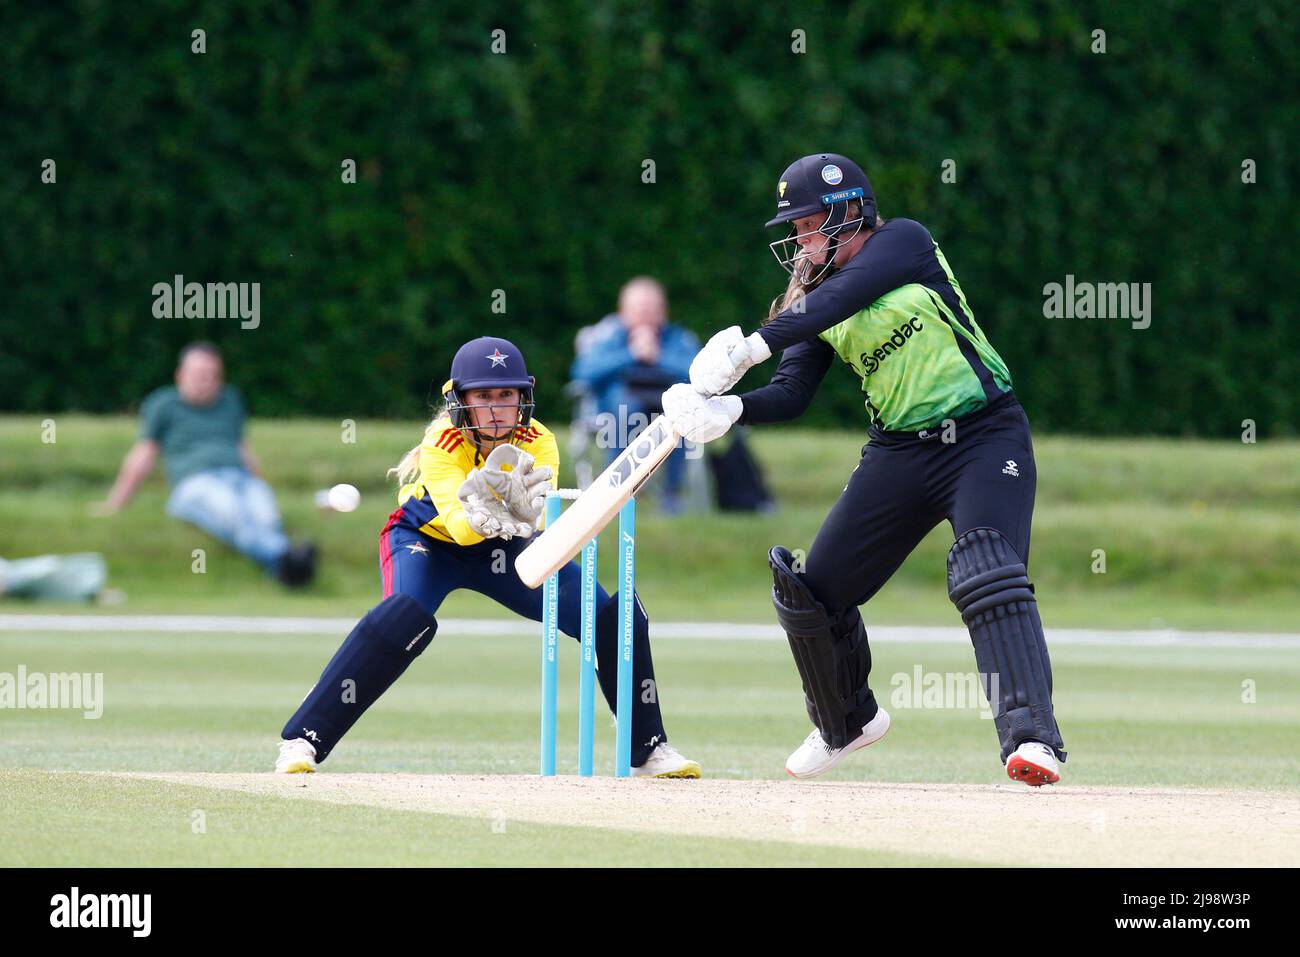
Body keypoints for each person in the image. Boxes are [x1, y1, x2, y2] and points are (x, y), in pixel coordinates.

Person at [662, 152, 1067, 786]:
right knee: (813, 592)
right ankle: (845, 722)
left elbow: (852, 292)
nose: (799, 240)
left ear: (849, 212)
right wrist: (726, 409)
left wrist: (752, 346)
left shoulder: (904, 243)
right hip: (899, 453)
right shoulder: (812, 300)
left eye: (806, 224)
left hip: (984, 435)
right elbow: (793, 393)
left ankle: (1032, 739)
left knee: (987, 566)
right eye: (793, 229)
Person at [275, 336, 700, 777]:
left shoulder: (540, 441)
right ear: (460, 399)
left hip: (508, 545)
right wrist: (488, 514)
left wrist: (520, 519)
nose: (496, 407)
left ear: (523, 397)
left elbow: (537, 520)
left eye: (506, 395)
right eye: (483, 396)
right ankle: (303, 739)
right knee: (403, 616)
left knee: (607, 614)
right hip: (428, 539)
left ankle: (649, 749)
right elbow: (460, 527)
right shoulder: (441, 442)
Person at [96, 342, 316, 586]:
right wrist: (116, 503)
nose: (205, 381)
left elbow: (243, 449)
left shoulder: (230, 401)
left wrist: (258, 484)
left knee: (265, 515)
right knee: (232, 513)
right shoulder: (163, 405)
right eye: (199, 374)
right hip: (195, 483)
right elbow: (143, 455)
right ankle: (287, 558)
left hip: (239, 478)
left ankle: (286, 567)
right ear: (180, 375)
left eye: (212, 375)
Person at [570, 277, 699, 512]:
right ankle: (618, 490)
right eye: (639, 309)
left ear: (663, 312)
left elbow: (700, 375)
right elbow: (583, 372)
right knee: (625, 409)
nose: (646, 315)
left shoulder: (678, 338)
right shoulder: (608, 337)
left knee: (680, 417)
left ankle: (671, 496)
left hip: (665, 408)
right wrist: (632, 354)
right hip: (617, 412)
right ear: (623, 312)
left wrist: (657, 357)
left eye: (652, 309)